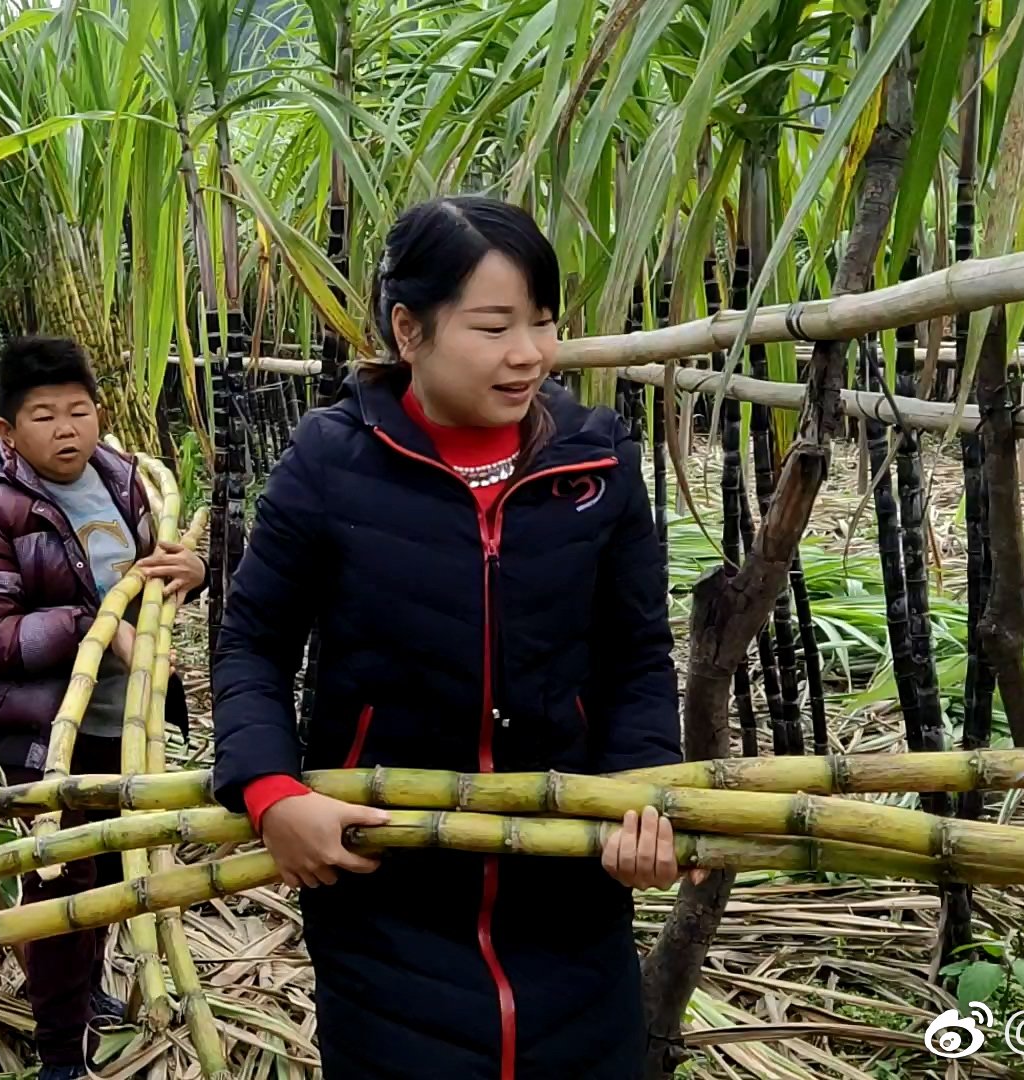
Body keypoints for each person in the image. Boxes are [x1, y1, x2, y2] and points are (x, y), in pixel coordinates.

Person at [210, 195, 705, 1080]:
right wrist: (271, 793)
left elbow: (636, 654)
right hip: (386, 883)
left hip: (570, 886)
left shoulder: (593, 461)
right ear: (410, 328)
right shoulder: (330, 463)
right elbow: (252, 641)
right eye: (494, 326)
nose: (530, 354)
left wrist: (642, 795)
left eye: (544, 323)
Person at [0, 336, 205, 1080]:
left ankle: (83, 991)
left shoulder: (124, 479)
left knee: (116, 867)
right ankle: (60, 1050)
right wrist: (97, 625)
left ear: (101, 413)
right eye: (44, 415)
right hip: (46, 727)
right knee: (59, 880)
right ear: (6, 433)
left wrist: (195, 570)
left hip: (131, 719)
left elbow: (158, 572)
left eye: (79, 411)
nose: (66, 429)